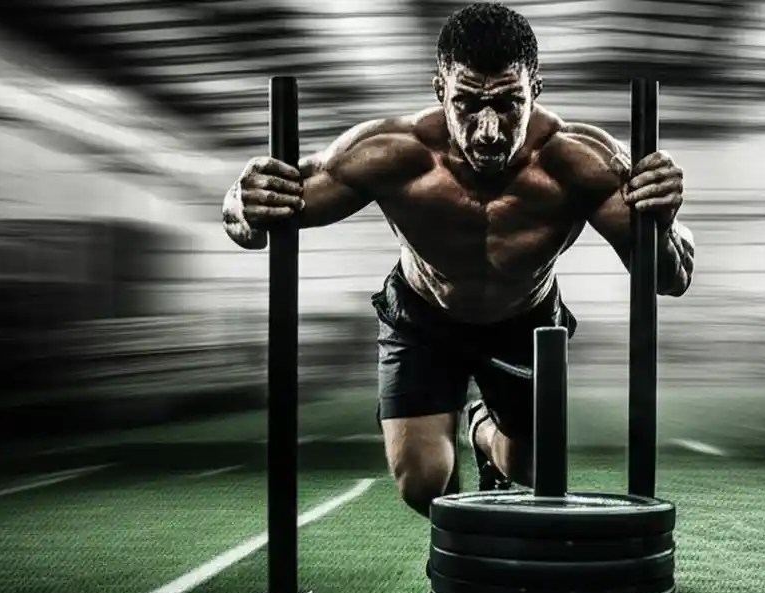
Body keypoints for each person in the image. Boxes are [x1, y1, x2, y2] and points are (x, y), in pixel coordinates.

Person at [220, 2, 694, 516]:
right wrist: (242, 202)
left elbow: (670, 278)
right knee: (423, 484)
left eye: (509, 104)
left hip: (525, 321)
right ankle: (459, 518)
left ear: (535, 89)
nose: (489, 130)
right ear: (439, 91)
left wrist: (663, 221)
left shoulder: (582, 163)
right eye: (468, 104)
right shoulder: (391, 152)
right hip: (423, 317)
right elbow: (259, 213)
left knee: (533, 472)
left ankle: (484, 434)